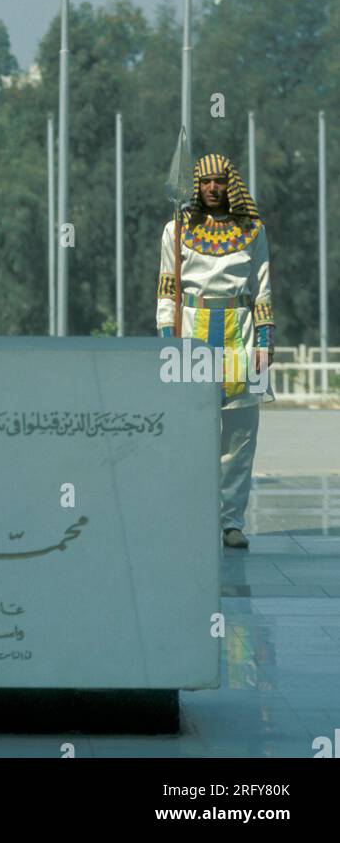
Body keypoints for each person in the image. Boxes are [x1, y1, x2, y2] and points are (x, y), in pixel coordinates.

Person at [156, 152, 275, 549]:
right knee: (191, 432)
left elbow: (262, 288)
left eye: (219, 181)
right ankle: (193, 515)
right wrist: (166, 341)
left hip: (242, 335)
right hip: (192, 333)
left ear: (230, 184)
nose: (212, 188)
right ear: (196, 185)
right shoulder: (176, 230)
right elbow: (167, 290)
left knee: (241, 438)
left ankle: (232, 522)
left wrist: (265, 343)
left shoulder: (253, 231)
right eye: (205, 182)